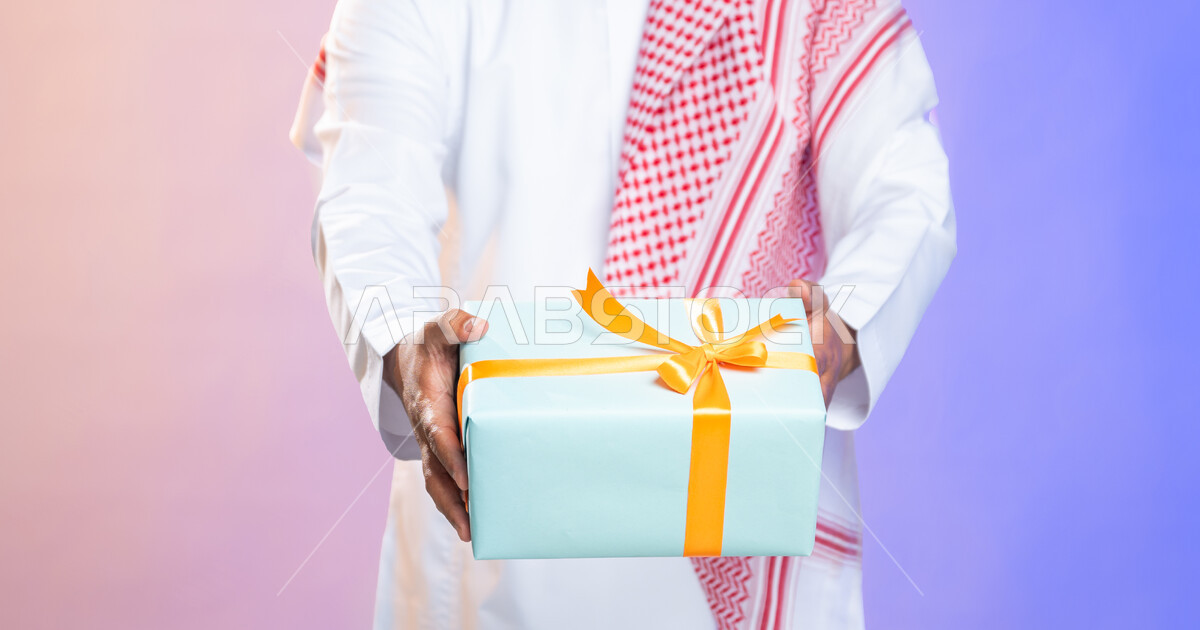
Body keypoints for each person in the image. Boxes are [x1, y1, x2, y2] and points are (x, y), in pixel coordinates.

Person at [291, 0, 955, 628]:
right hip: (487, 541)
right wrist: (406, 339)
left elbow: (903, 192)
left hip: (743, 510)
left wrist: (840, 323)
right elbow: (369, 190)